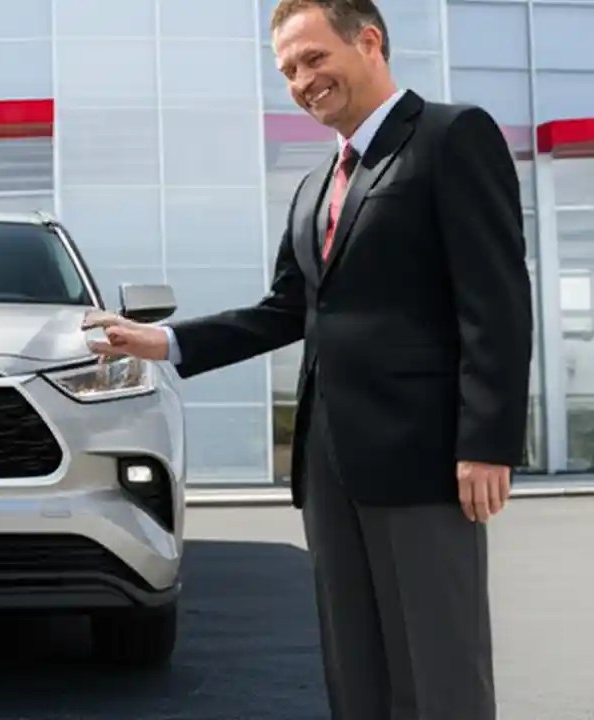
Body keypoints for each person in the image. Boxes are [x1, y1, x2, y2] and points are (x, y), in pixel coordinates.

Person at [84, 1, 531, 718]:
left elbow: (496, 301)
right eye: (288, 69)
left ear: (370, 42)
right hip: (328, 465)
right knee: (354, 669)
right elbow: (286, 312)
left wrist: (487, 441)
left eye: (314, 58)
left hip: (424, 457)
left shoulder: (451, 137)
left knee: (440, 669)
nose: (301, 80)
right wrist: (162, 342)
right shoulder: (314, 186)